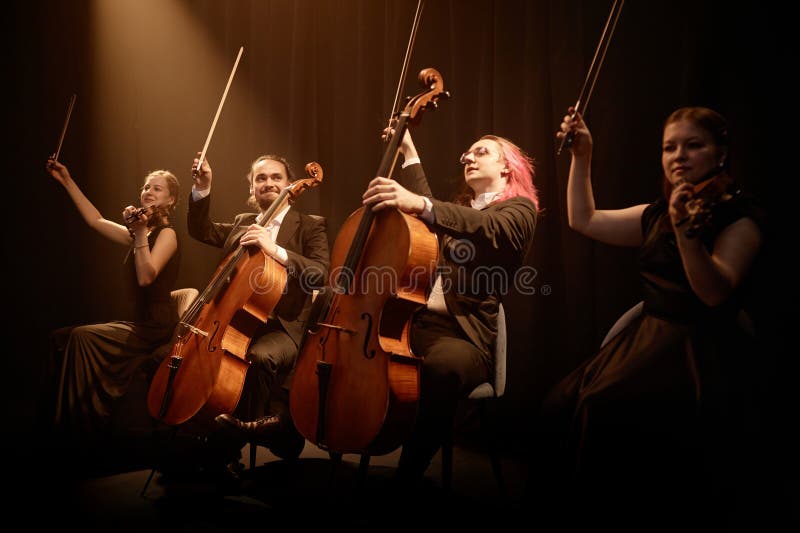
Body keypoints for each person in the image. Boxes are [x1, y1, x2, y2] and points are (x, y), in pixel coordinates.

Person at [538, 107, 765, 522]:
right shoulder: (658, 213)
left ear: (720, 153)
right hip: (647, 338)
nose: (679, 156)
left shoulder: (741, 218)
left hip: (700, 350)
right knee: (559, 404)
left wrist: (686, 234)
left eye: (694, 145)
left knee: (600, 412)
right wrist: (582, 156)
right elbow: (583, 219)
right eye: (669, 147)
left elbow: (713, 294)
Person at [361, 129, 539, 484]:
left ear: (507, 168)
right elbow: (430, 220)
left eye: (481, 152)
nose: (469, 158)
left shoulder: (518, 211)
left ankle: (408, 473)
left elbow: (482, 225)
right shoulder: (456, 211)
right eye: (467, 154)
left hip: (465, 337)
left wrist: (421, 204)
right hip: (419, 324)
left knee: (441, 367)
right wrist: (410, 151)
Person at [187, 153, 330, 464]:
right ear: (251, 189)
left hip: (283, 327)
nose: (268, 183)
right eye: (260, 178)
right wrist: (203, 188)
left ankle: (232, 440)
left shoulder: (309, 226)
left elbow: (321, 273)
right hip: (235, 322)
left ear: (290, 184)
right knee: (198, 358)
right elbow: (201, 230)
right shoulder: (243, 223)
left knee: (259, 357)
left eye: (276, 177)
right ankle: (207, 435)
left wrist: (275, 249)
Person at [44, 159, 181, 449]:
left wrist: (140, 233)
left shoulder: (166, 235)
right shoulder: (140, 234)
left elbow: (146, 278)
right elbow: (95, 221)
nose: (148, 191)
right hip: (138, 322)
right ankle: (63, 425)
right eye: (146, 186)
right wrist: (67, 180)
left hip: (154, 326)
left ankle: (82, 434)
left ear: (171, 199)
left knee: (82, 337)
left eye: (157, 188)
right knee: (61, 338)